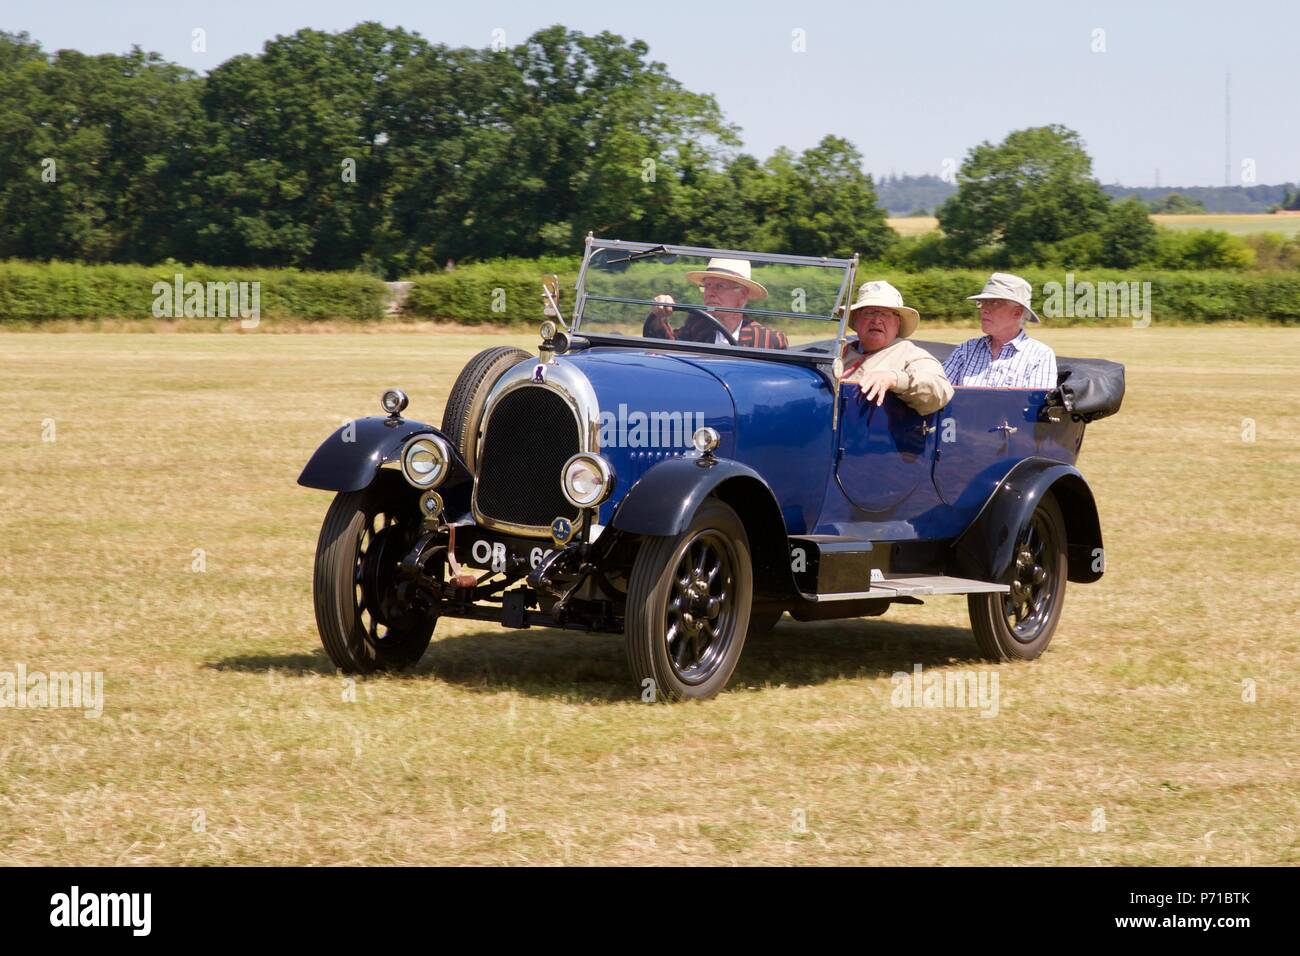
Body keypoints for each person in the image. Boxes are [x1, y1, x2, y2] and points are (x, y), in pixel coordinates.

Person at [839, 280, 953, 415]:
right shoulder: (841, 352)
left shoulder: (911, 355)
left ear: (898, 323)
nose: (876, 320)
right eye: (870, 312)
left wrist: (895, 379)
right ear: (856, 319)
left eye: (885, 314)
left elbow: (940, 392)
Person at [943, 273, 1058, 389]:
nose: (984, 310)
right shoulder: (966, 350)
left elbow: (1035, 405)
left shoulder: (1040, 356)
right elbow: (936, 394)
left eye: (994, 303)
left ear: (1017, 312)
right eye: (982, 303)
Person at [643, 258, 788, 349]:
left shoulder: (768, 341)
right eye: (707, 286)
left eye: (719, 287)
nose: (709, 293)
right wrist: (659, 314)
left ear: (743, 294)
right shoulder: (697, 326)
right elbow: (667, 351)